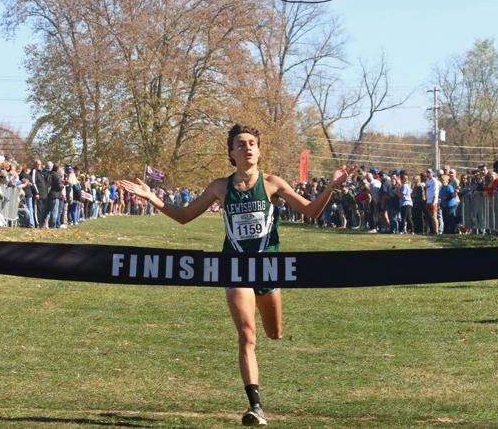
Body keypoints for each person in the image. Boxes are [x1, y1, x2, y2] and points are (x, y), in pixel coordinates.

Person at [121, 124, 354, 427]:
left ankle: (261, 379)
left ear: (259, 150)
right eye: (241, 144)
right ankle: (255, 406)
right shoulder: (221, 187)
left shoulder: (272, 184)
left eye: (252, 143)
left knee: (274, 332)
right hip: (235, 268)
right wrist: (152, 197)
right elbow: (184, 216)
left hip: (269, 269)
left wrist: (331, 187)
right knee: (247, 335)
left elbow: (310, 211)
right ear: (231, 152)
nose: (247, 148)